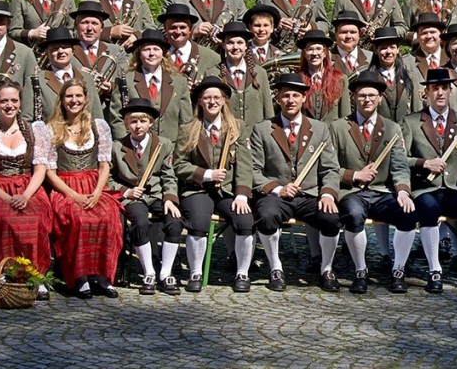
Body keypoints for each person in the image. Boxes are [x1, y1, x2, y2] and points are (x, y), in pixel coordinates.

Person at [244, 76, 345, 293]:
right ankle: (276, 268)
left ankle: (326, 268)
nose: (290, 100)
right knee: (266, 215)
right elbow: (253, 170)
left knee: (331, 218)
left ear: (303, 98)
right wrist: (277, 188)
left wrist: (328, 194)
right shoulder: (262, 129)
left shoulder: (320, 129)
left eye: (296, 96)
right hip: (276, 195)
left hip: (309, 194)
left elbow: (330, 168)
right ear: (278, 99)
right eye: (286, 96)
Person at [403, 68, 457, 294]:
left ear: (450, 91)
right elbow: (401, 158)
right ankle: (435, 270)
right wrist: (424, 163)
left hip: (454, 188)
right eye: (435, 88)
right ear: (427, 92)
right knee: (429, 209)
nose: (440, 93)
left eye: (444, 88)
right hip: (426, 188)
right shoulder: (411, 122)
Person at [331, 71, 418, 294]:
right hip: (351, 192)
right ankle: (361, 271)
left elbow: (400, 166)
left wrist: (402, 191)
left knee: (407, 213)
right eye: (361, 96)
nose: (367, 100)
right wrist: (354, 175)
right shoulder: (338, 127)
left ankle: (398, 270)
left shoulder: (392, 128)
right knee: (353, 215)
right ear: (354, 98)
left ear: (380, 98)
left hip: (382, 191)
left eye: (371, 96)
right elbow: (329, 167)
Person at [0, 80, 54, 299]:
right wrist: (7, 198)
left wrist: (25, 195)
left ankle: (35, 276)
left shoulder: (34, 130)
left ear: (20, 102)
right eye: (4, 101)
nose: (9, 105)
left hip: (28, 187)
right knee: (5, 219)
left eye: (14, 100)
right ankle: (3, 273)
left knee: (34, 218)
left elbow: (40, 170)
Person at [174, 77, 255, 293]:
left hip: (228, 191)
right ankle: (195, 273)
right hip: (197, 189)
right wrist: (206, 174)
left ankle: (242, 273)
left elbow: (245, 164)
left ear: (224, 101)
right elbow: (179, 165)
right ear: (200, 101)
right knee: (198, 221)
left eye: (217, 98)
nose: (212, 102)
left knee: (245, 220)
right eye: (207, 98)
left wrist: (242, 194)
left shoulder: (237, 127)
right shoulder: (188, 129)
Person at [43, 82, 122, 298]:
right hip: (66, 187)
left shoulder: (98, 126)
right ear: (62, 100)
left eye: (78, 96)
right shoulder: (52, 129)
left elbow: (104, 165)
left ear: (86, 99)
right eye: (69, 96)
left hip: (94, 185)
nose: (74, 100)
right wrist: (75, 195)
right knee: (78, 219)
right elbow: (50, 173)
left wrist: (97, 192)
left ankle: (104, 277)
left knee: (108, 216)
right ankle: (80, 276)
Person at [109, 97, 182, 295]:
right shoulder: (117, 147)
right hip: (132, 197)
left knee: (175, 220)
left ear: (151, 123)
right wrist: (126, 191)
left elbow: (169, 175)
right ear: (126, 124)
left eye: (143, 121)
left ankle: (165, 273)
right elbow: (108, 178)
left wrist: (170, 198)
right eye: (133, 121)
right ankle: (148, 271)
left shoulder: (163, 145)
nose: (138, 126)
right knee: (140, 222)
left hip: (157, 194)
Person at [211, 20, 273, 126]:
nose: (235, 47)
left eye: (240, 43)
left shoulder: (260, 73)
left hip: (255, 134)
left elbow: (268, 110)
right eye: (230, 43)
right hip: (226, 133)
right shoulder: (213, 73)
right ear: (223, 45)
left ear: (246, 45)